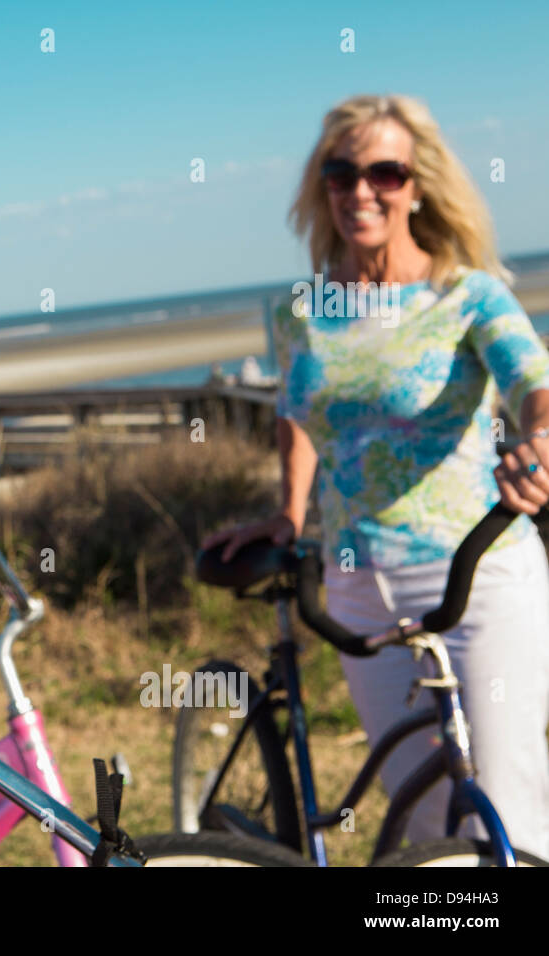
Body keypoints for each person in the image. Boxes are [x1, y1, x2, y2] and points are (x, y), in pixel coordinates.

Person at [205, 94, 549, 858]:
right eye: (342, 172)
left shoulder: (466, 294)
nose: (362, 190)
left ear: (417, 185)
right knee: (419, 820)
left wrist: (543, 439)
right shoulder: (305, 310)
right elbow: (297, 412)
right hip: (359, 584)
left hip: (477, 575)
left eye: (384, 172)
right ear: (322, 187)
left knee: (501, 808)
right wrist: (289, 513)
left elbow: (531, 377)